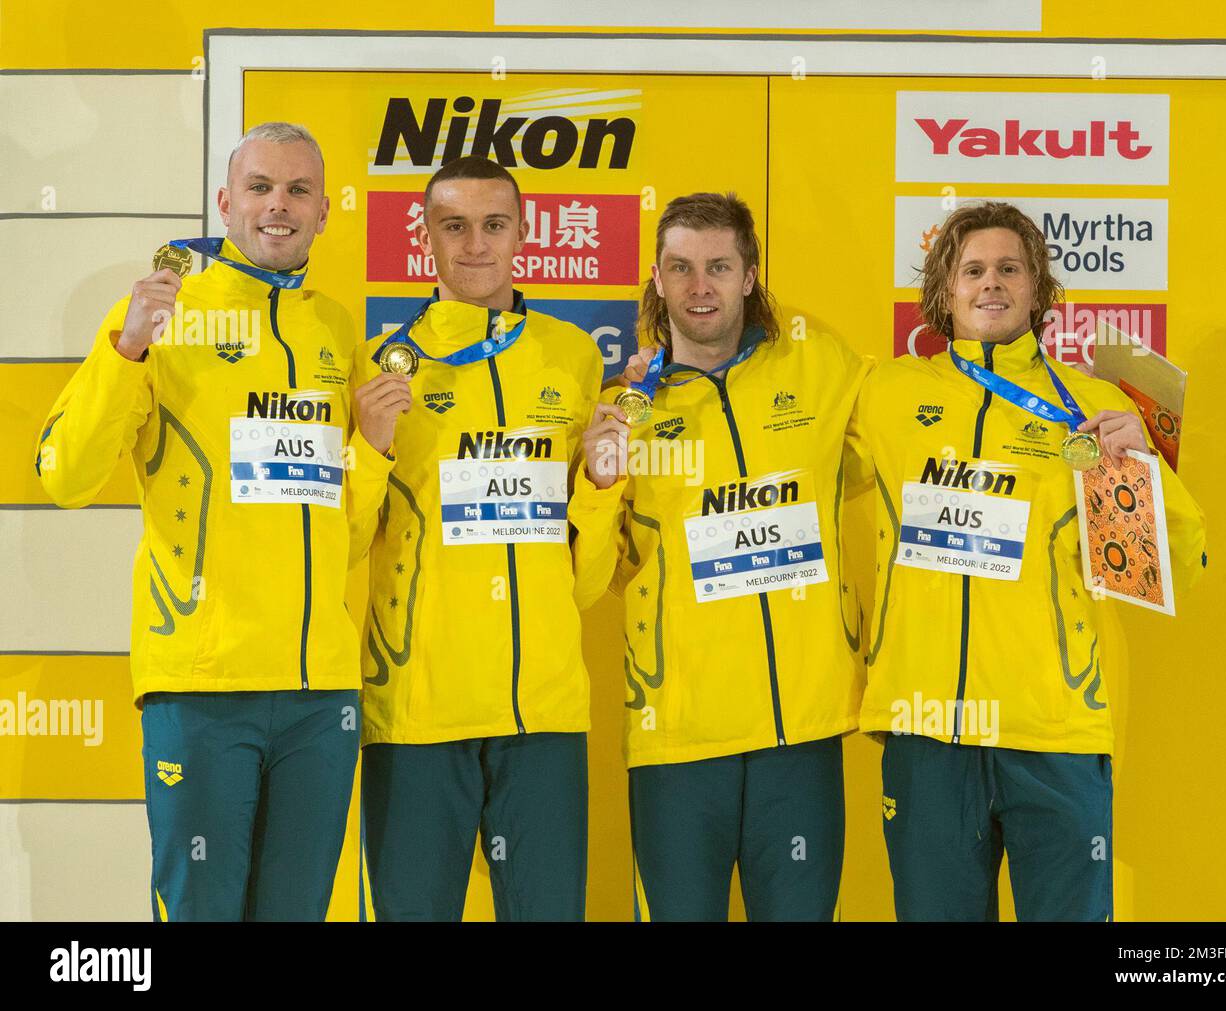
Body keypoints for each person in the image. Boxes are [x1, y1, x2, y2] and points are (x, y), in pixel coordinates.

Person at [34, 122, 394, 921]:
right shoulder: (164, 314)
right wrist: (126, 349)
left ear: (326, 210)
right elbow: (64, 475)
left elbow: (350, 532)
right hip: (201, 685)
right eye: (261, 187)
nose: (279, 205)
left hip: (318, 694)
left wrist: (371, 454)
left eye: (299, 189)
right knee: (200, 909)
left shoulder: (337, 331)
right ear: (226, 203)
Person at [857, 200, 1207, 921]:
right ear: (944, 290)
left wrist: (1140, 467)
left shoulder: (1094, 407)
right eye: (973, 269)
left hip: (1054, 732)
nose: (992, 283)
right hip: (929, 735)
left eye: (1010, 268)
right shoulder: (886, 394)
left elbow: (1168, 566)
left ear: (1038, 288)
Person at [571, 192, 874, 921]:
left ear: (749, 274)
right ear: (656, 278)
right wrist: (597, 483)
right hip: (679, 739)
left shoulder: (821, 367)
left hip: (797, 735)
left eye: (717, 266)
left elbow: (921, 436)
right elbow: (583, 583)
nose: (698, 286)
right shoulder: (625, 410)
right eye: (680, 268)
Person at [349, 156, 604, 921]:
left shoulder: (574, 357)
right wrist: (368, 451)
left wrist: (599, 491)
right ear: (424, 235)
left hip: (544, 712)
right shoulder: (379, 368)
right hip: (419, 709)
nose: (475, 245)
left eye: (494, 224)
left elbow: (584, 571)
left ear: (524, 232)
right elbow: (345, 539)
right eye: (453, 225)